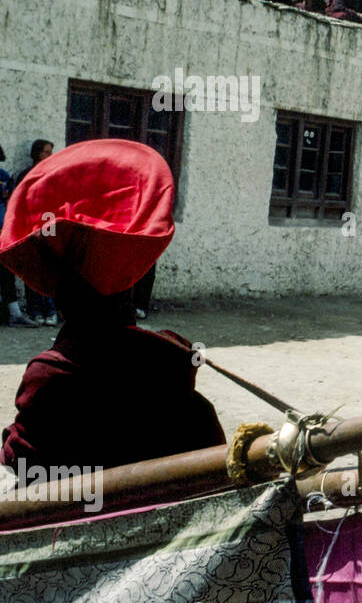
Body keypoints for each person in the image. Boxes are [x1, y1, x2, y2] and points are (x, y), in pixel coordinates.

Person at [0, 140, 226, 475]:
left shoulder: (50, 374)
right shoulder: (173, 359)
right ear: (130, 287)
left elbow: (22, 463)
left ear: (62, 300)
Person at [13, 140, 57, 326]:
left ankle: (51, 310)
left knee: (48, 267)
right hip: (30, 222)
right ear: (37, 154)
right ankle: (35, 310)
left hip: (48, 220)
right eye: (46, 152)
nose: (50, 156)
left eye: (50, 152)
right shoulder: (26, 175)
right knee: (32, 268)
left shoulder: (53, 174)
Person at [0, 143, 39, 328]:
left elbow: (10, 202)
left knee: (6, 273)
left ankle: (14, 313)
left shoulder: (4, 176)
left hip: (2, 232)